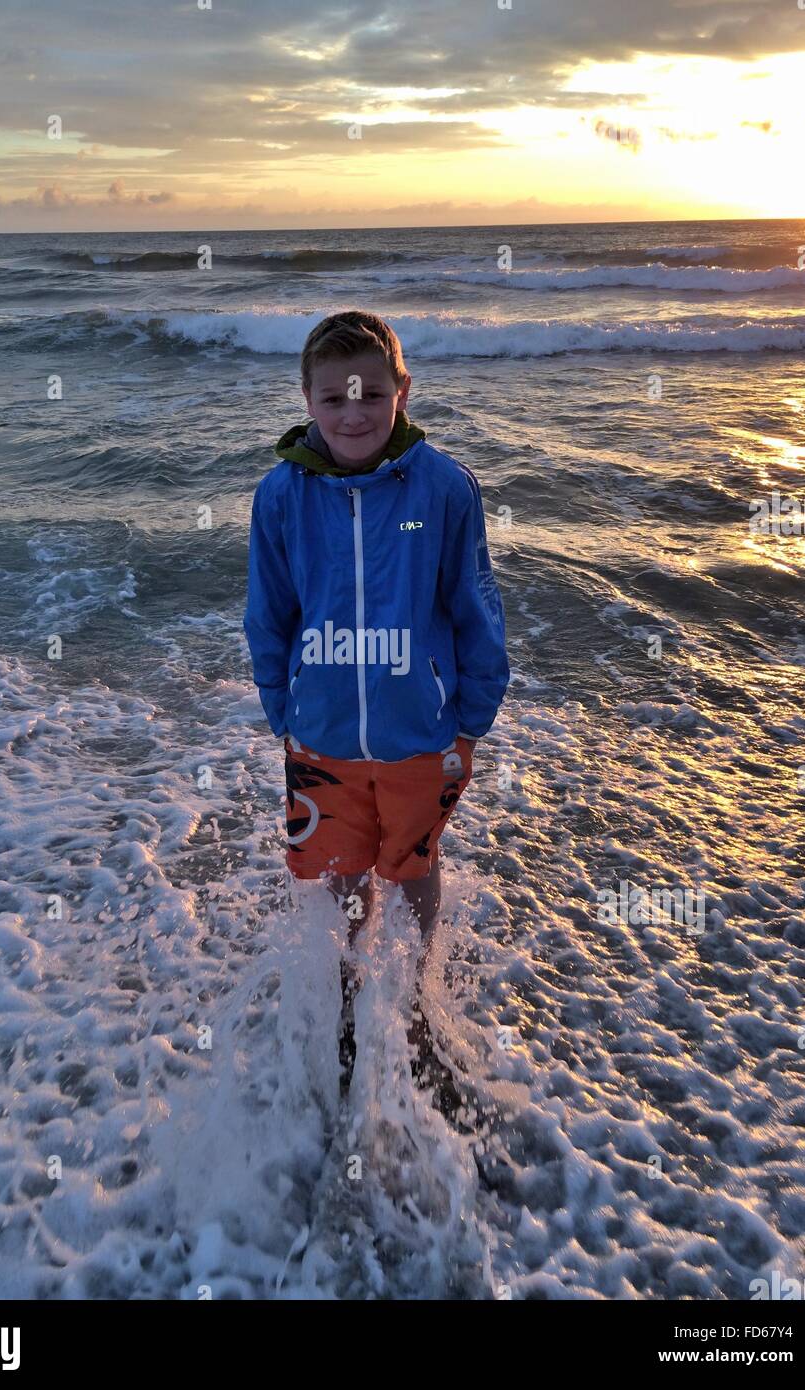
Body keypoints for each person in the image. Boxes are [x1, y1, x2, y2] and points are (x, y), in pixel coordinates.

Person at [243, 310, 510, 1099]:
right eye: (333, 398)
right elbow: (270, 610)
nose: (353, 413)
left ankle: (420, 989)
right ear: (306, 398)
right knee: (343, 873)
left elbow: (474, 603)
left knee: (415, 862)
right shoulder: (281, 496)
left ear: (403, 390)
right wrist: (278, 706)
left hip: (418, 733)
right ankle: (355, 989)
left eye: (371, 393)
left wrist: (472, 718)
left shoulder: (445, 488)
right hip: (320, 732)